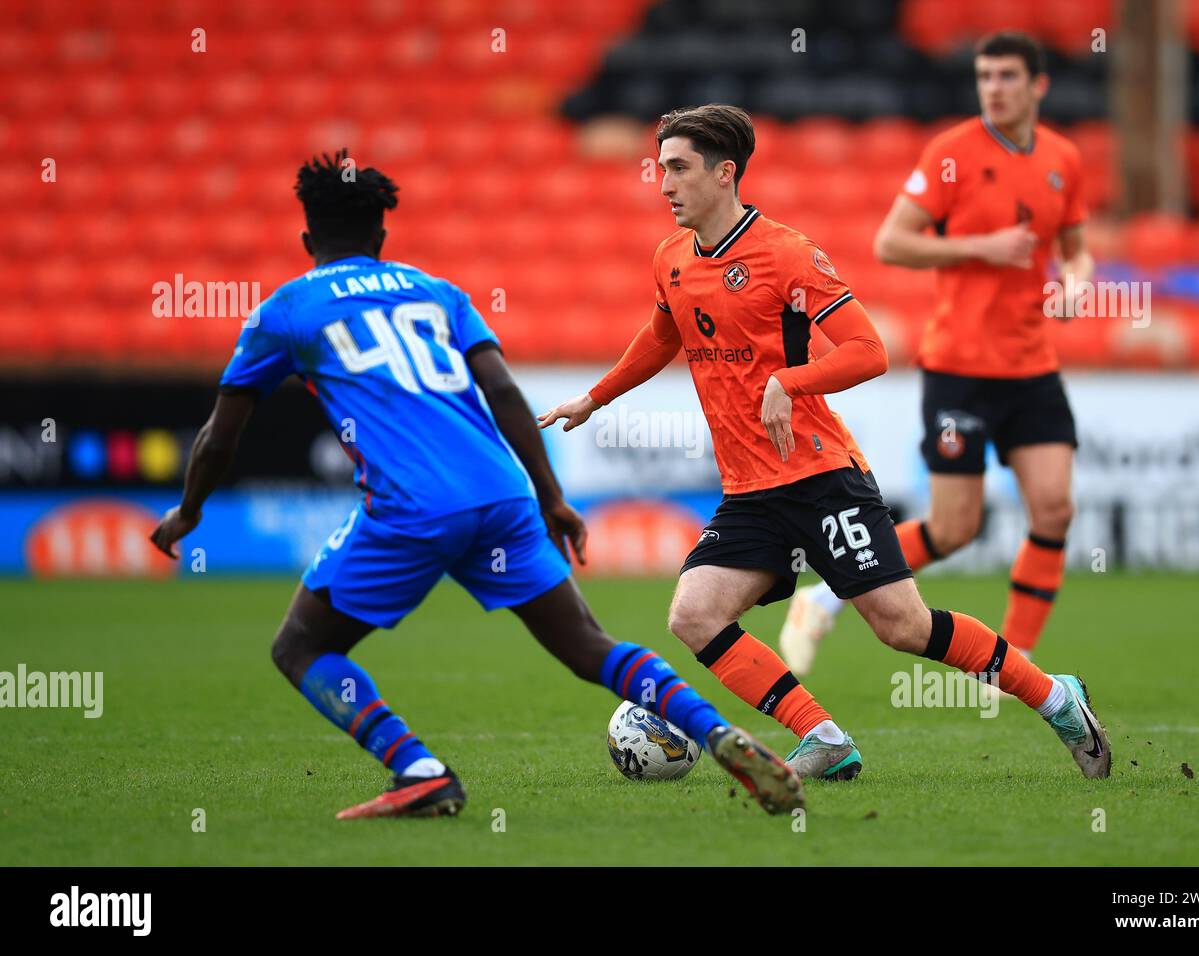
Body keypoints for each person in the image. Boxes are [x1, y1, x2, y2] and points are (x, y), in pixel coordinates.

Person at [148, 150, 805, 819]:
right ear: (381, 238)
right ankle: (715, 729)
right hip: (503, 494)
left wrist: (186, 513)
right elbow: (503, 391)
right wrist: (551, 496)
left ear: (307, 241)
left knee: (301, 645)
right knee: (589, 647)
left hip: (409, 506)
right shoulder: (436, 292)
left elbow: (220, 437)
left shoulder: (284, 311)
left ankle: (419, 769)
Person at [540, 105, 1110, 781]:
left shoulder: (786, 254)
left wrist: (790, 379)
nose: (663, 183)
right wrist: (596, 397)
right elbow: (663, 335)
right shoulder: (670, 258)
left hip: (819, 475)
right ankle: (825, 737)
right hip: (750, 491)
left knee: (902, 627)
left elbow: (869, 352)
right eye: (660, 168)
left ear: (724, 174)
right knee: (694, 615)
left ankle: (1054, 696)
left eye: (677, 168)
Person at [779, 31, 1095, 680]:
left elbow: (1077, 247)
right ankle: (820, 599)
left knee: (1056, 507)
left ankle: (1017, 663)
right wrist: (978, 248)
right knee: (954, 529)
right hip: (960, 368)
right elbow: (892, 242)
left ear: (1038, 86)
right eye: (985, 77)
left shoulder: (1064, 157)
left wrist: (1077, 281)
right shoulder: (952, 154)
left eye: (1008, 76)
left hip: (1033, 366)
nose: (995, 88)